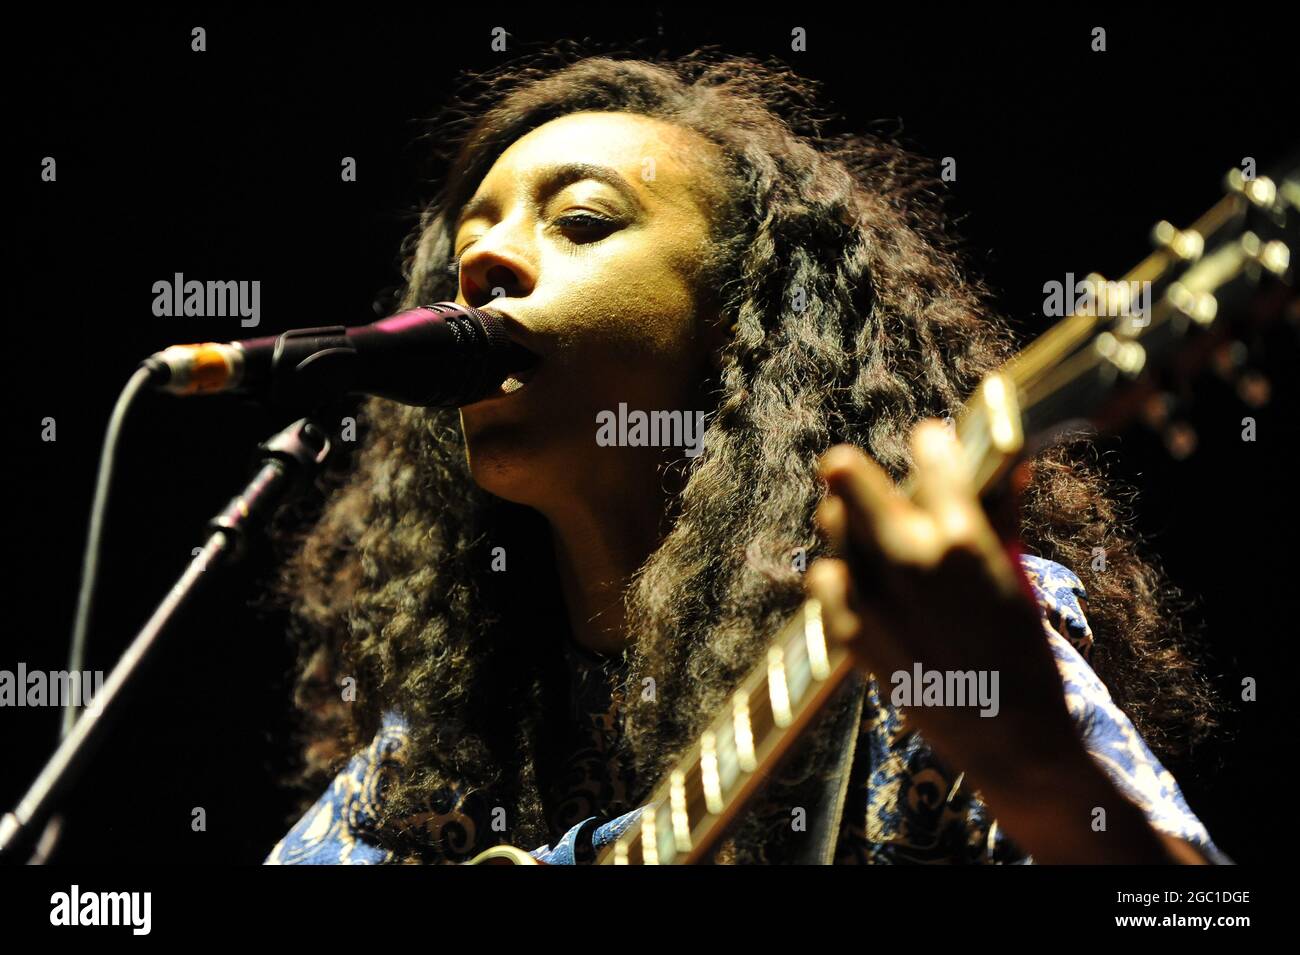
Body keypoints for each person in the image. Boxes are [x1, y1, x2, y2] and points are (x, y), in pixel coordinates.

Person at [264, 49, 1226, 865]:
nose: (480, 267)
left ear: (744, 326)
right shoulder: (425, 769)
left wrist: (1028, 759)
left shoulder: (920, 642)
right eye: (468, 246)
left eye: (582, 221)